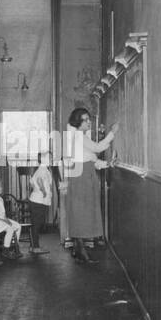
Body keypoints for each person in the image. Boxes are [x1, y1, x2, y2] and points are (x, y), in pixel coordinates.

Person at [60, 107, 117, 263]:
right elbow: (97, 148)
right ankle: (81, 250)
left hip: (85, 176)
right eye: (85, 120)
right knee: (82, 213)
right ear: (78, 122)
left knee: (81, 212)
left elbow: (91, 159)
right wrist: (112, 133)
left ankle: (79, 249)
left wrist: (107, 163)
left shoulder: (79, 137)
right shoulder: (79, 136)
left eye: (88, 119)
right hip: (82, 179)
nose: (88, 122)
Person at [26, 150, 52, 255]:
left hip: (38, 201)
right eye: (49, 158)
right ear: (43, 159)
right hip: (38, 201)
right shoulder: (42, 170)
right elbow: (39, 181)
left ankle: (34, 246)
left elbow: (32, 181)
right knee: (37, 224)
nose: (51, 160)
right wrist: (44, 191)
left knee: (37, 223)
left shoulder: (42, 169)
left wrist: (38, 190)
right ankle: (35, 247)